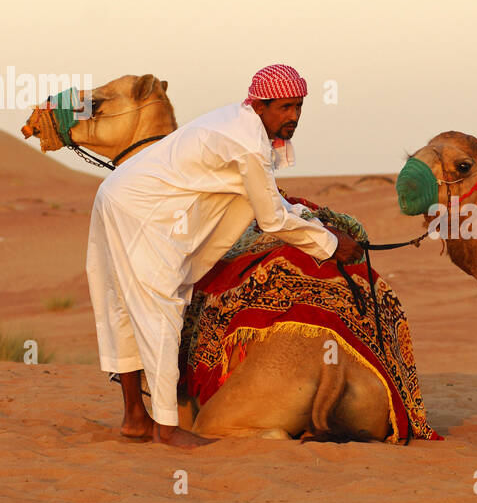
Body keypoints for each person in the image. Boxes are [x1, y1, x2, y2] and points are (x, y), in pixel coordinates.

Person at [85, 64, 364, 447]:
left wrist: (321, 229)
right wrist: (332, 245)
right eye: (284, 107)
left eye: (298, 107)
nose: (293, 116)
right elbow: (271, 218)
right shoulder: (248, 142)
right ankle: (167, 429)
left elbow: (269, 200)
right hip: (141, 210)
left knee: (127, 307)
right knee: (160, 308)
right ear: (261, 105)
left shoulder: (242, 126)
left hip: (119, 195)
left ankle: (136, 418)